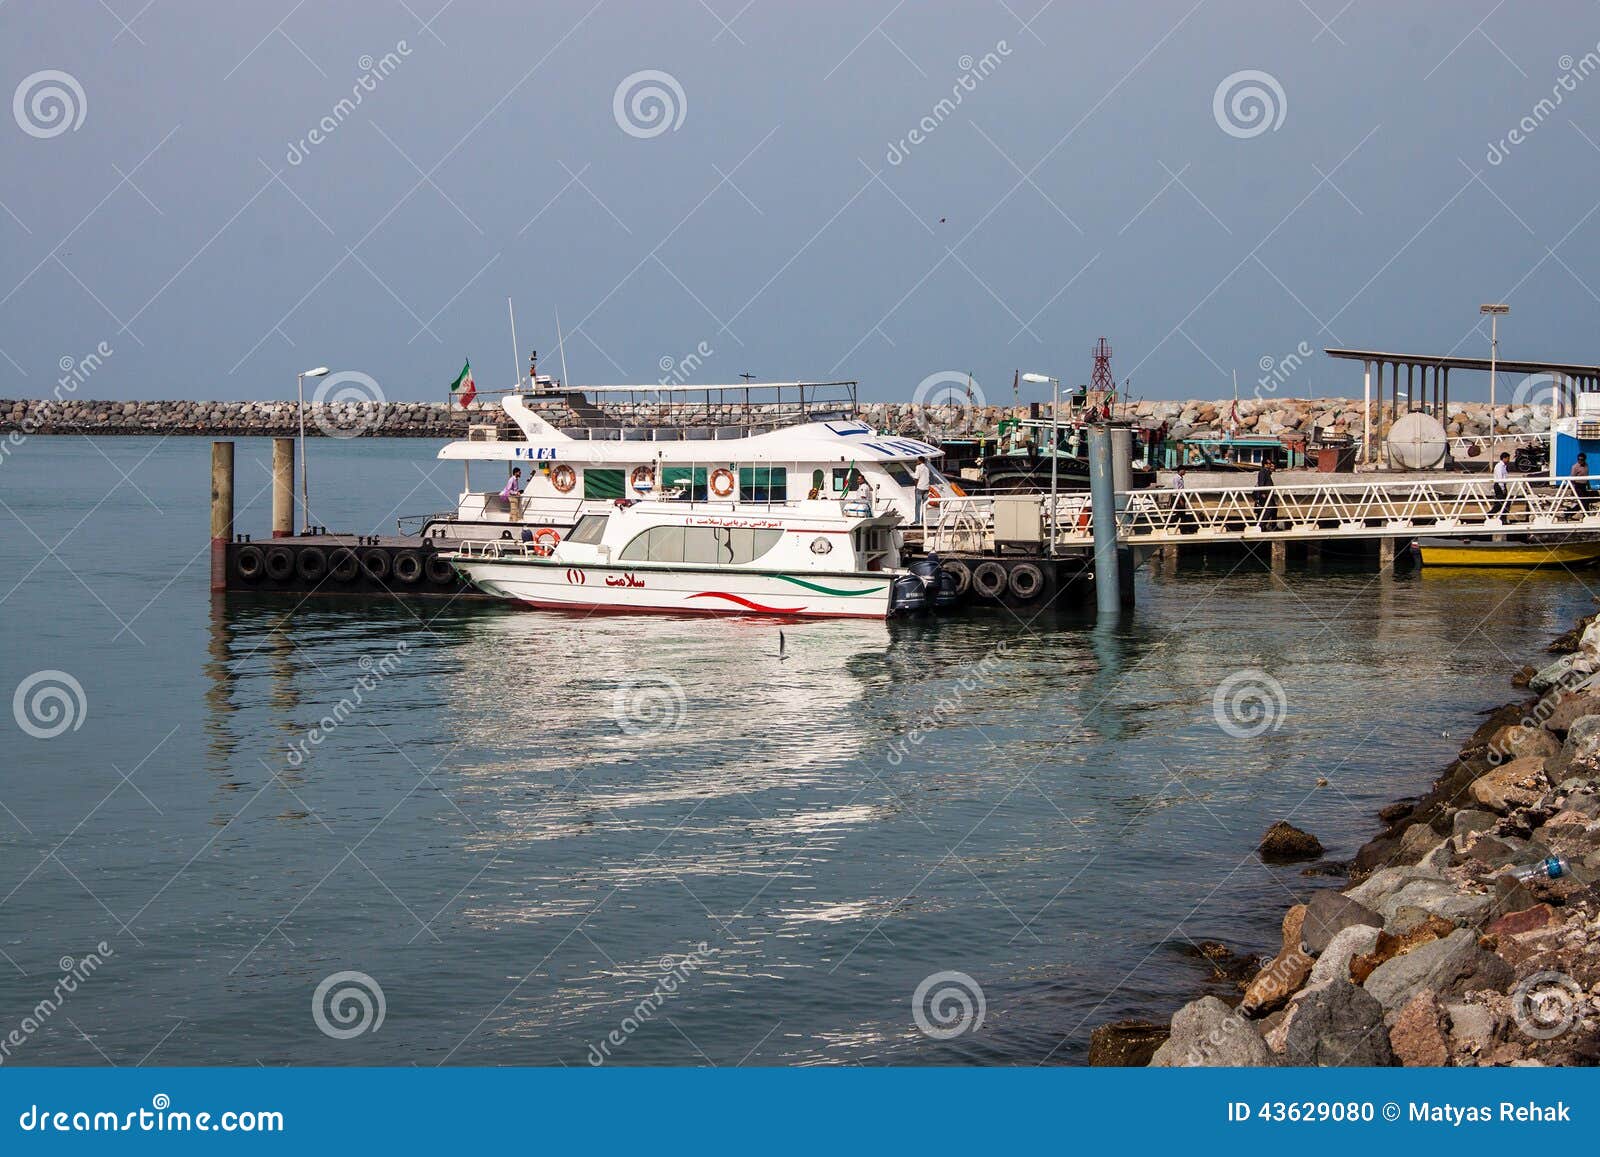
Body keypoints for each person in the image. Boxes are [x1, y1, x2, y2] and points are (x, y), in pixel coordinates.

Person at [1255, 460, 1278, 530]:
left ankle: (1274, 526)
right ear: (1265, 465)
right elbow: (1261, 483)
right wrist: (1263, 492)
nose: (1270, 465)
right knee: (1270, 509)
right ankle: (1261, 525)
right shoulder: (1262, 472)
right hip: (1266, 495)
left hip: (1269, 494)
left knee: (1274, 509)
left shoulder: (1267, 472)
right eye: (1269, 464)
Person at [912, 457, 931, 522]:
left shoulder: (918, 467)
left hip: (920, 488)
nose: (916, 461)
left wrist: (916, 486)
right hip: (926, 488)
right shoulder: (927, 468)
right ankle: (923, 520)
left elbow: (916, 478)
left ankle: (917, 521)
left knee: (918, 505)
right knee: (924, 505)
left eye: (917, 460)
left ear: (920, 461)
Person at [1493, 452, 1510, 519]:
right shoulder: (1499, 466)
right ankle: (1489, 515)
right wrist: (1503, 488)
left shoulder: (1504, 466)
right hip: (1499, 486)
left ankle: (1503, 518)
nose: (1508, 460)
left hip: (1502, 485)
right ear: (1504, 458)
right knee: (1499, 504)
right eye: (1508, 459)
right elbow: (1500, 477)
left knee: (1507, 502)